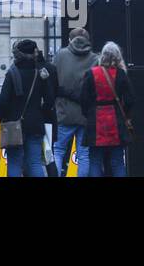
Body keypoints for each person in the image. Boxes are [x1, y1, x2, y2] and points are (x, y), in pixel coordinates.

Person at [0, 39, 54, 177]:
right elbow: (50, 100)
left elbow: (3, 100)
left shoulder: (12, 73)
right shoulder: (40, 73)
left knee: (14, 162)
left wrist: (2, 116)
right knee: (34, 163)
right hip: (35, 123)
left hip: (13, 123)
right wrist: (41, 113)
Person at [79, 42, 134, 177]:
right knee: (117, 162)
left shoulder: (91, 73)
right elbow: (130, 99)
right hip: (116, 120)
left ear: (102, 56)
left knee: (95, 161)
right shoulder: (121, 74)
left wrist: (89, 114)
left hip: (95, 121)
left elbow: (83, 99)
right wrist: (125, 116)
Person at [52, 27, 99, 178]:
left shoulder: (60, 56)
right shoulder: (94, 58)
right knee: (84, 154)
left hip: (64, 112)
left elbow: (53, 81)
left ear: (70, 40)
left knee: (58, 151)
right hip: (85, 114)